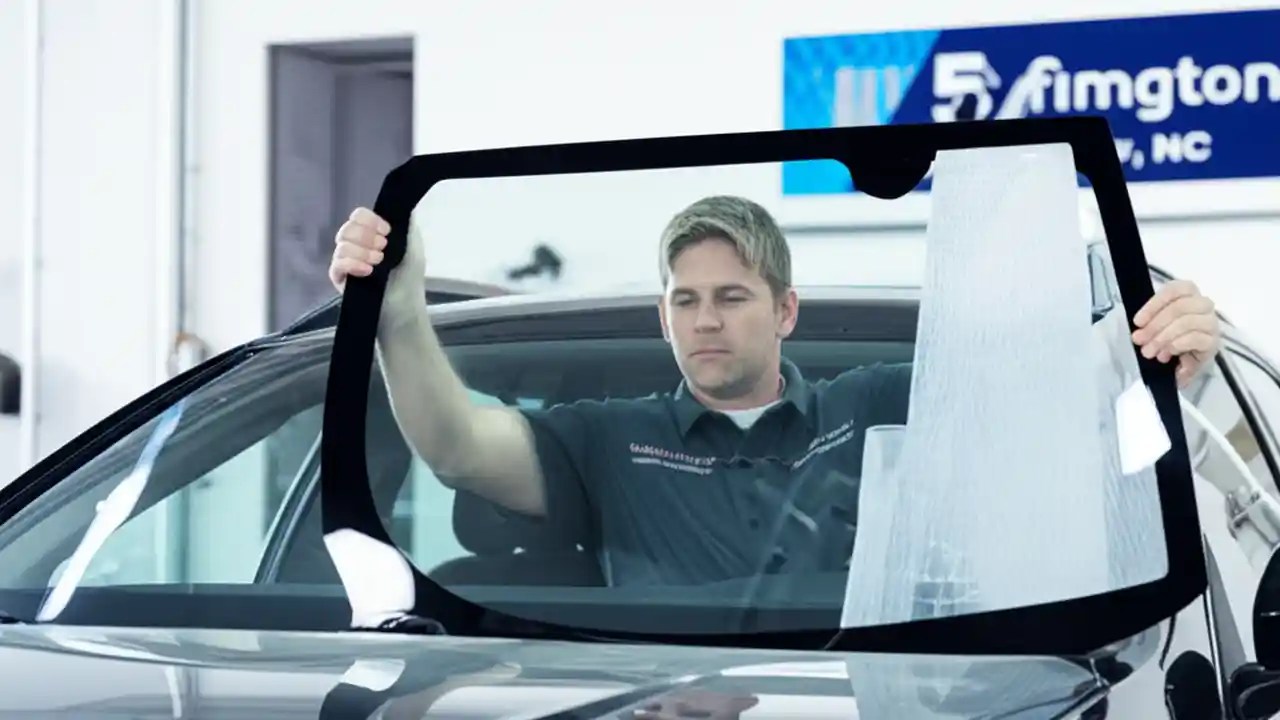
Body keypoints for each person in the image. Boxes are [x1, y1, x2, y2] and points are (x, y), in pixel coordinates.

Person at [329, 196, 1222, 588]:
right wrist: (400, 312)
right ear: (663, 315)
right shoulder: (607, 437)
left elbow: (1048, 402)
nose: (704, 320)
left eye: (731, 297)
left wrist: (1161, 352)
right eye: (685, 301)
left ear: (784, 309)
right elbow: (454, 445)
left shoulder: (869, 404)